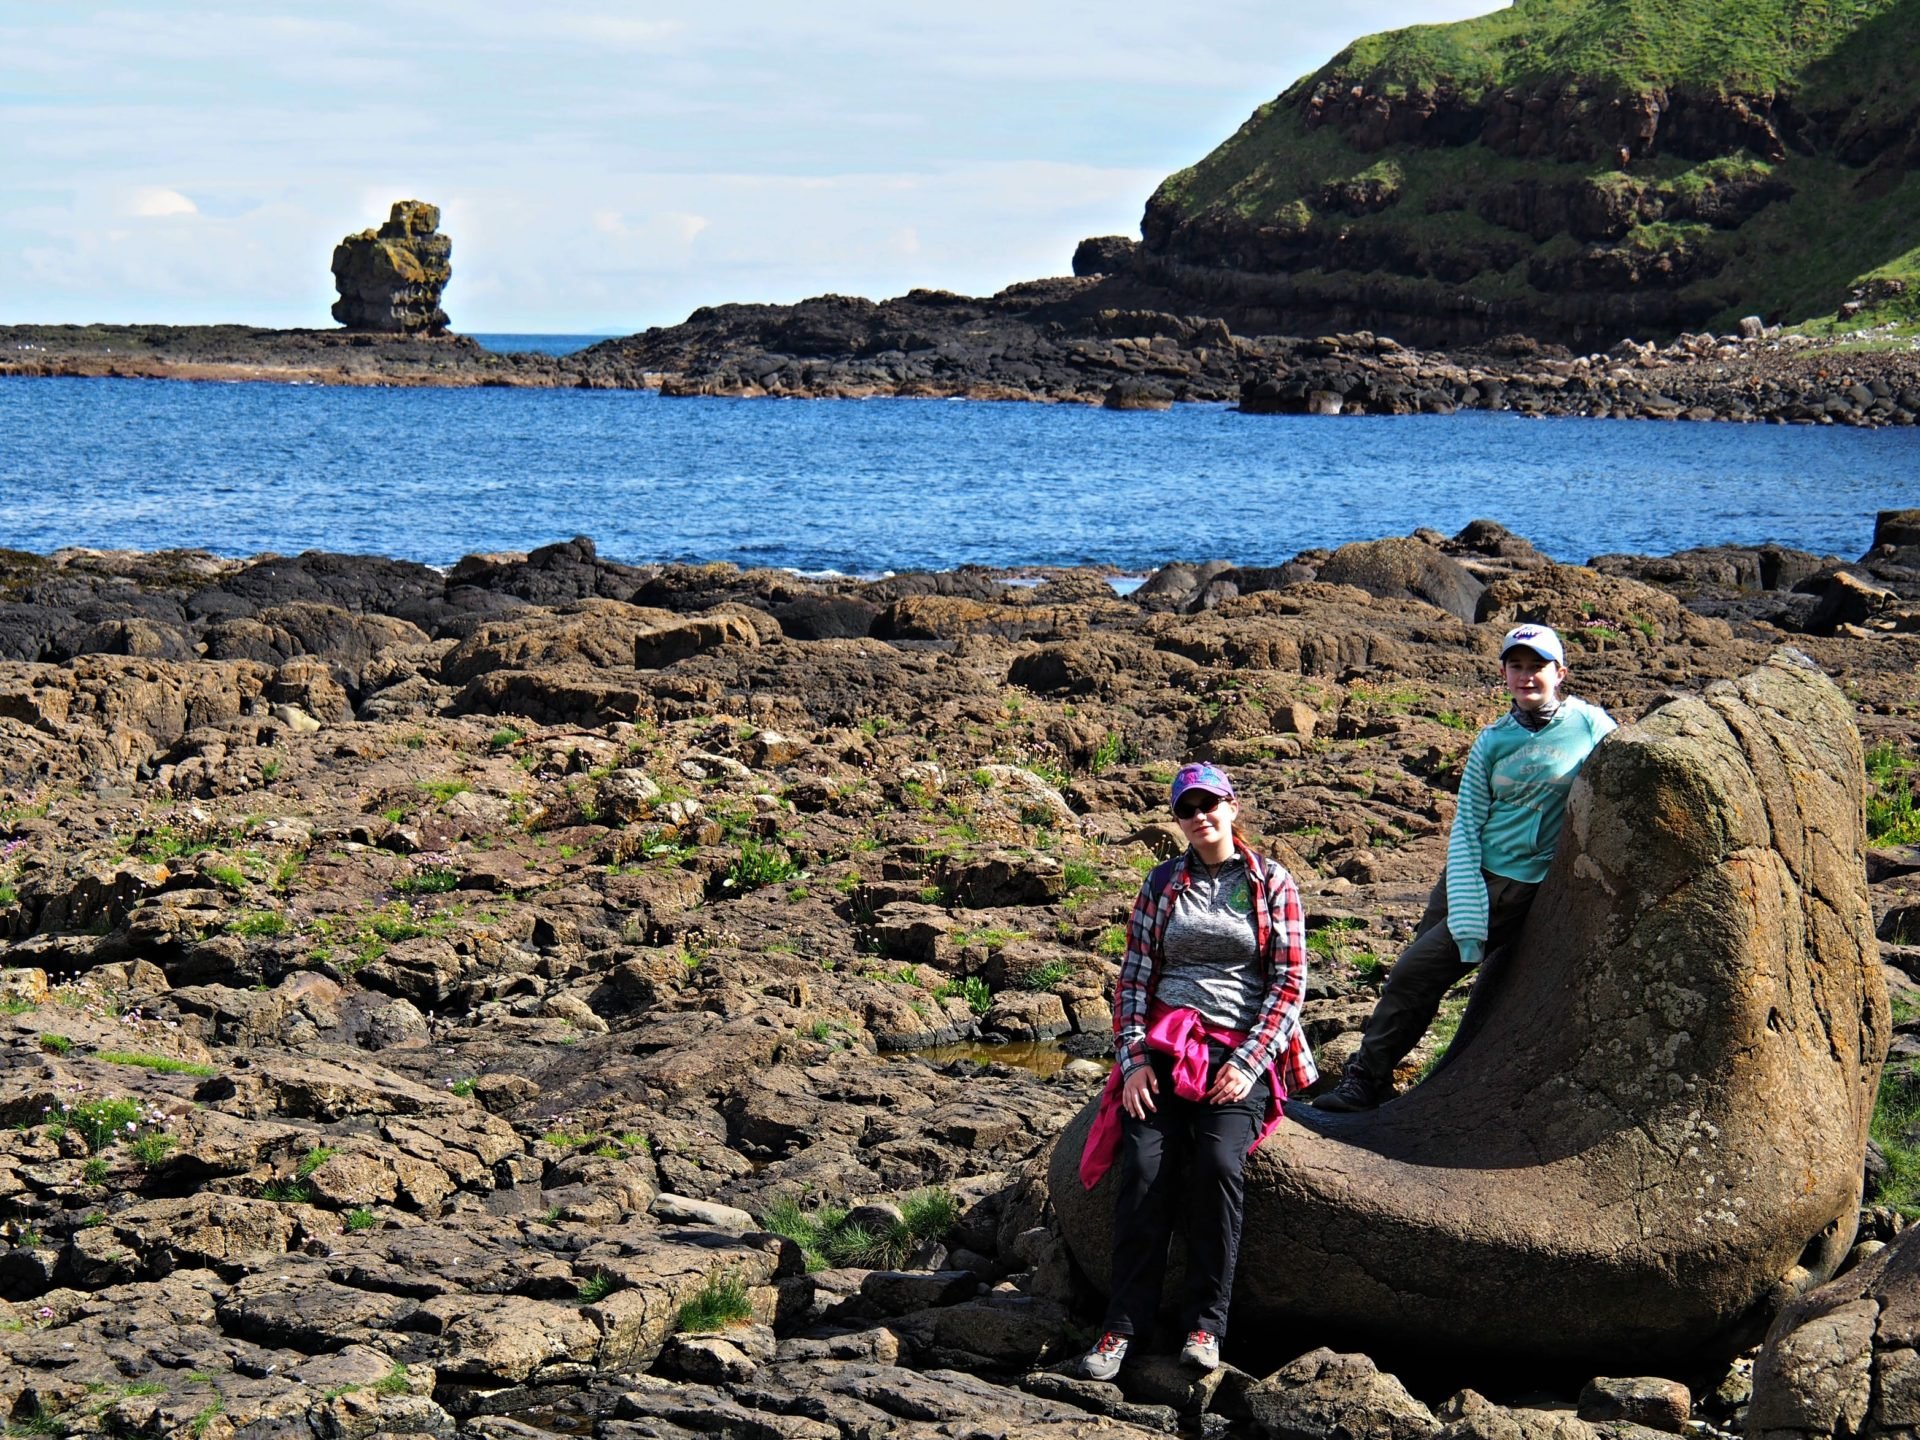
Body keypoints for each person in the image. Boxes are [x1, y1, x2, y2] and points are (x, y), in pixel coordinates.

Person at [1075, 761, 1317, 1380]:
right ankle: (1121, 1327)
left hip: (1239, 1050)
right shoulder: (1162, 884)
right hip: (1166, 1046)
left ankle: (1205, 1325)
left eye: (1211, 803)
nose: (1201, 816)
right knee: (1146, 1168)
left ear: (1233, 807)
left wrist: (1250, 1062)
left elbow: (1289, 985)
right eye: (1188, 808)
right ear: (1178, 820)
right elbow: (1134, 979)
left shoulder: (1271, 882)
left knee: (1216, 1164)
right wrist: (1131, 1064)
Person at [1315, 623, 1616, 1113]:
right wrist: (1462, 883)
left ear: (1560, 672)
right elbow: (1470, 818)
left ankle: (1362, 1083)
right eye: (1516, 666)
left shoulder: (1589, 725)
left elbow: (1625, 769)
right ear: (1503, 673)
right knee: (1416, 978)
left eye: (1537, 666)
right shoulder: (1492, 739)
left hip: (1518, 884)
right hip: (1467, 873)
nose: (1526, 676)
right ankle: (1380, 1078)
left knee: (1413, 974)